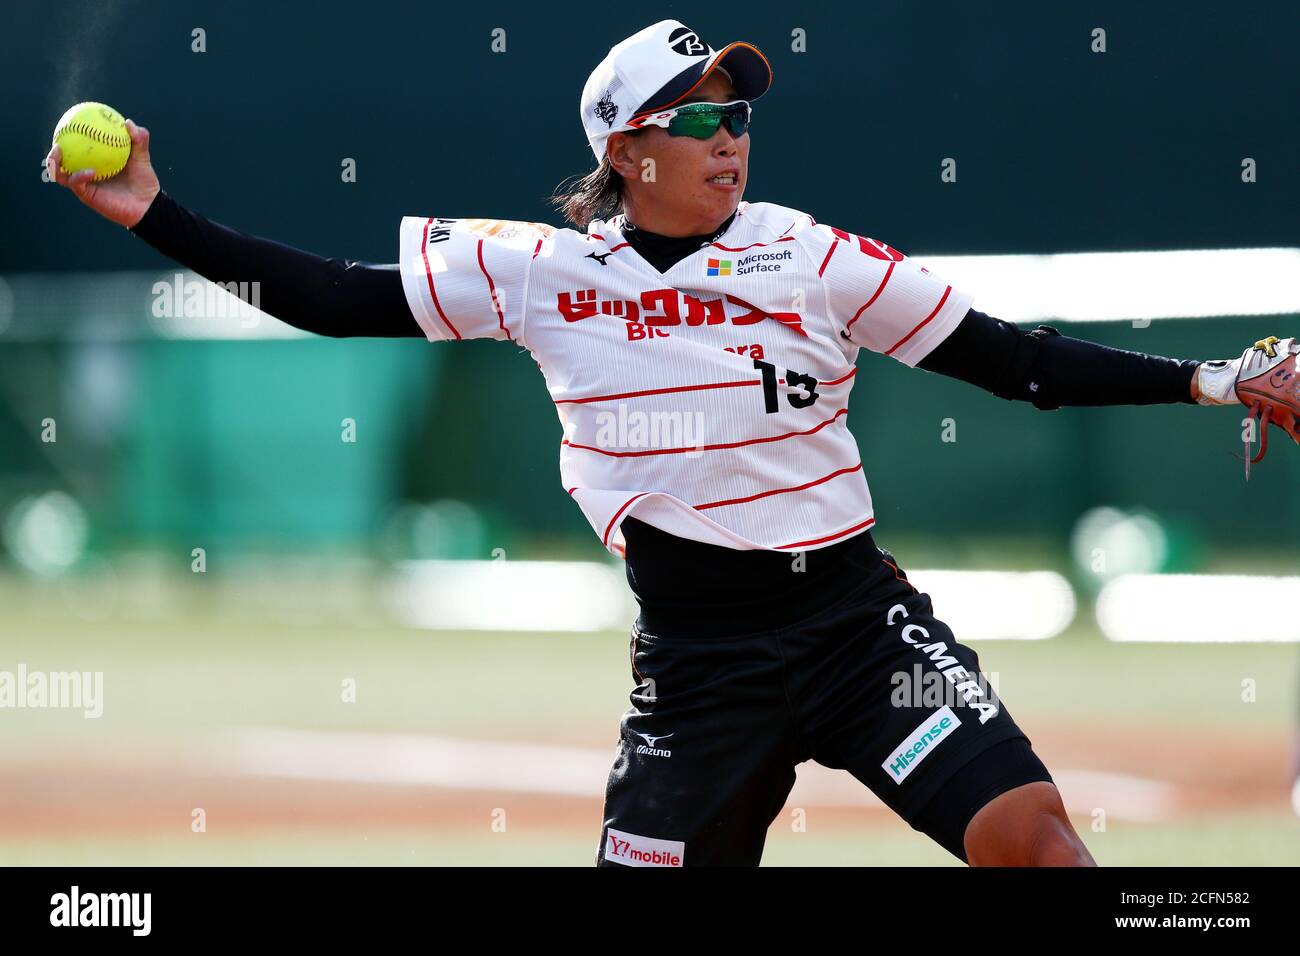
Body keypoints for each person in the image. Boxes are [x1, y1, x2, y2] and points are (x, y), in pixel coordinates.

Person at [46, 19, 1291, 867]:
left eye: (738, 108)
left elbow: (1015, 362)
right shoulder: (537, 273)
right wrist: (158, 215)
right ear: (625, 148)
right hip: (700, 671)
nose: (731, 132)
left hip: (862, 631)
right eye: (699, 114)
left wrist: (1213, 380)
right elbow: (328, 296)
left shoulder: (809, 253)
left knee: (1036, 840)